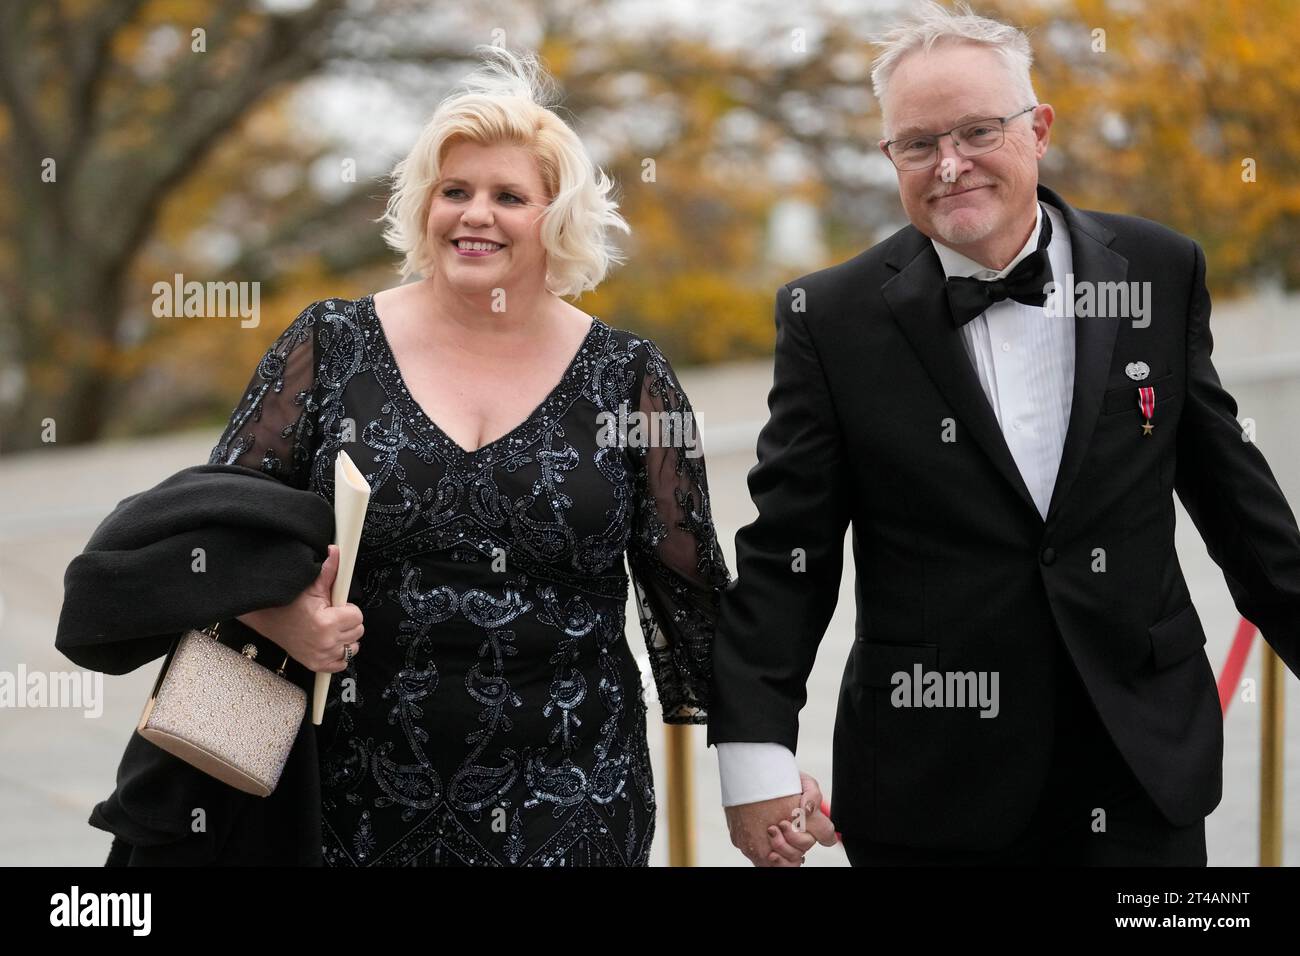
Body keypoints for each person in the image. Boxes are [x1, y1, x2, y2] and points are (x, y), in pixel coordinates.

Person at [708, 0, 1300, 866]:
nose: (949, 165)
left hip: (1140, 764)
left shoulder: (1162, 268)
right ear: (891, 158)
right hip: (927, 784)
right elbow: (787, 554)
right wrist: (753, 754)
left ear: (1040, 129)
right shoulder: (828, 319)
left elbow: (1237, 505)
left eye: (977, 130)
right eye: (918, 144)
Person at [211, 46, 829, 866]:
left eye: (509, 196)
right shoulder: (332, 343)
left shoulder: (628, 378)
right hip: (345, 793)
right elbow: (210, 531)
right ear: (424, 206)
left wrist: (764, 772)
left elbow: (691, 596)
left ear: (557, 217)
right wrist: (277, 612)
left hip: (573, 797)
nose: (476, 215)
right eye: (454, 191)